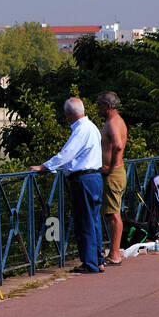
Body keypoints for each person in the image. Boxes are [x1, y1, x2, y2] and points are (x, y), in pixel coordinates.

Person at [29, 97, 103, 273]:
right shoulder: (92, 127)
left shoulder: (81, 130)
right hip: (95, 178)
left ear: (69, 113)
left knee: (84, 221)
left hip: (83, 180)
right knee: (94, 220)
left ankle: (90, 263)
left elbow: (66, 154)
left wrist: (44, 166)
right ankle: (98, 260)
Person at [97, 92, 127, 265]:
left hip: (113, 174)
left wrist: (111, 167)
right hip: (115, 172)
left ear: (108, 106)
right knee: (112, 213)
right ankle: (113, 252)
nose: (98, 108)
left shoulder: (113, 123)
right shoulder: (116, 121)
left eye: (100, 105)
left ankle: (114, 254)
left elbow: (118, 145)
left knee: (113, 215)